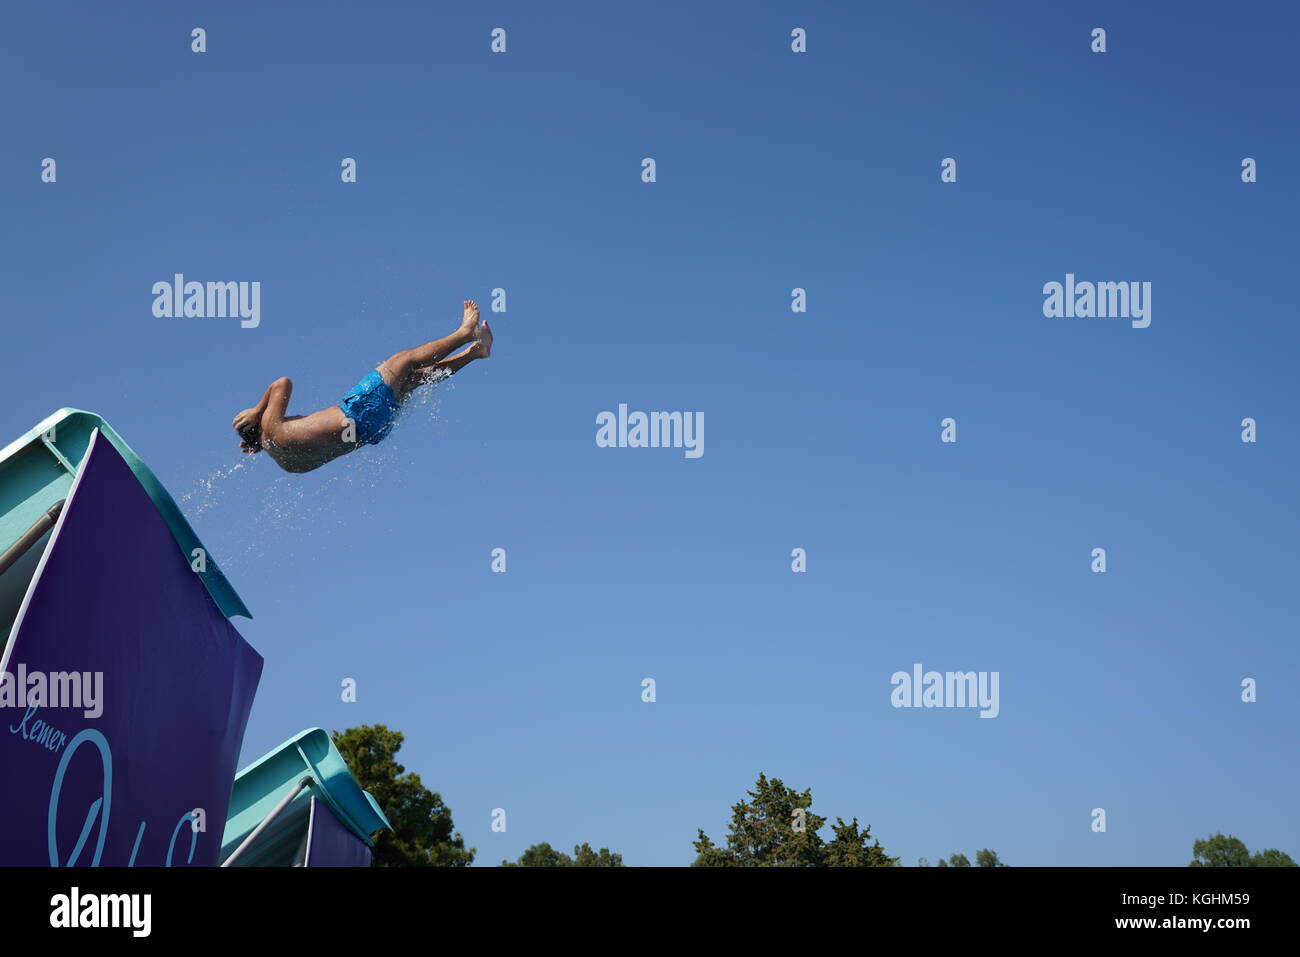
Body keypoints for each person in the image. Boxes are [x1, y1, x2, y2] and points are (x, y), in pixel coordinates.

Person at [232, 300, 492, 473]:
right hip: (358, 411)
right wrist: (258, 410)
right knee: (403, 361)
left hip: (371, 432)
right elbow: (282, 383)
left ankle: (475, 353)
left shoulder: (287, 463)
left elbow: (313, 444)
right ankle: (465, 333)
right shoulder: (271, 426)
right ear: (258, 423)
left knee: (415, 380)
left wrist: (259, 442)